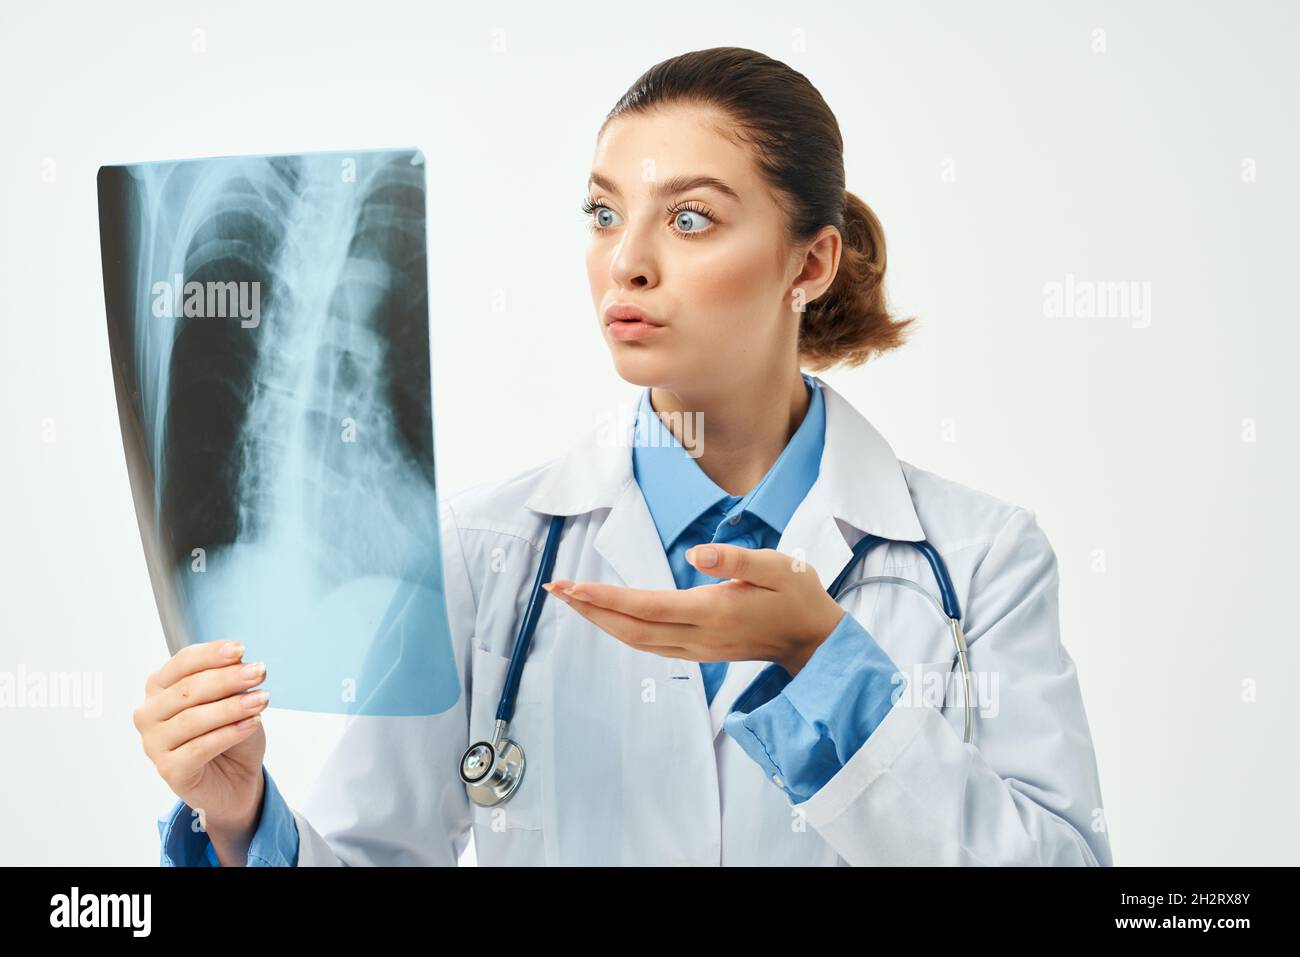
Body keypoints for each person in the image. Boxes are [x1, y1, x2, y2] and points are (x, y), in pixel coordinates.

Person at [135, 46, 1111, 867]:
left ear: (807, 264)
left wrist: (825, 663)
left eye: (690, 219)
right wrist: (237, 818)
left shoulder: (978, 558)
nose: (627, 262)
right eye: (604, 214)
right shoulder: (484, 555)